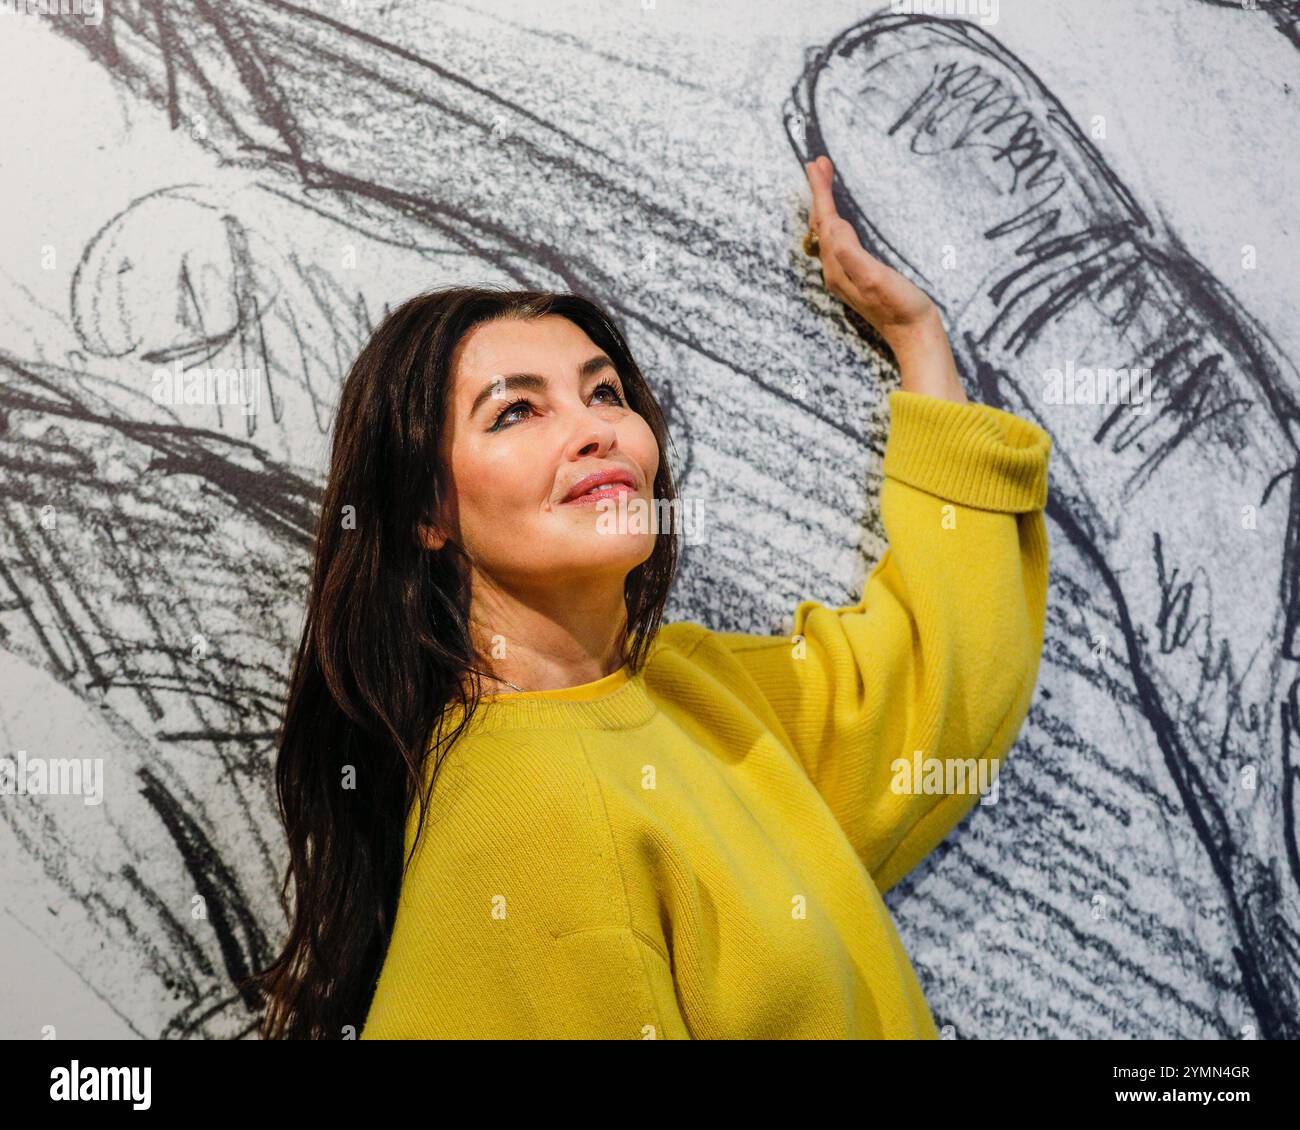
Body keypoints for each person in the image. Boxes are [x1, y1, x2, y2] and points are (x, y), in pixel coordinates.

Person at [250, 156, 1052, 1039]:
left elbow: (934, 690)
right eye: (517, 411)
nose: (598, 428)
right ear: (426, 512)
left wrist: (918, 338)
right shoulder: (521, 821)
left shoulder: (683, 689)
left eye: (604, 392)